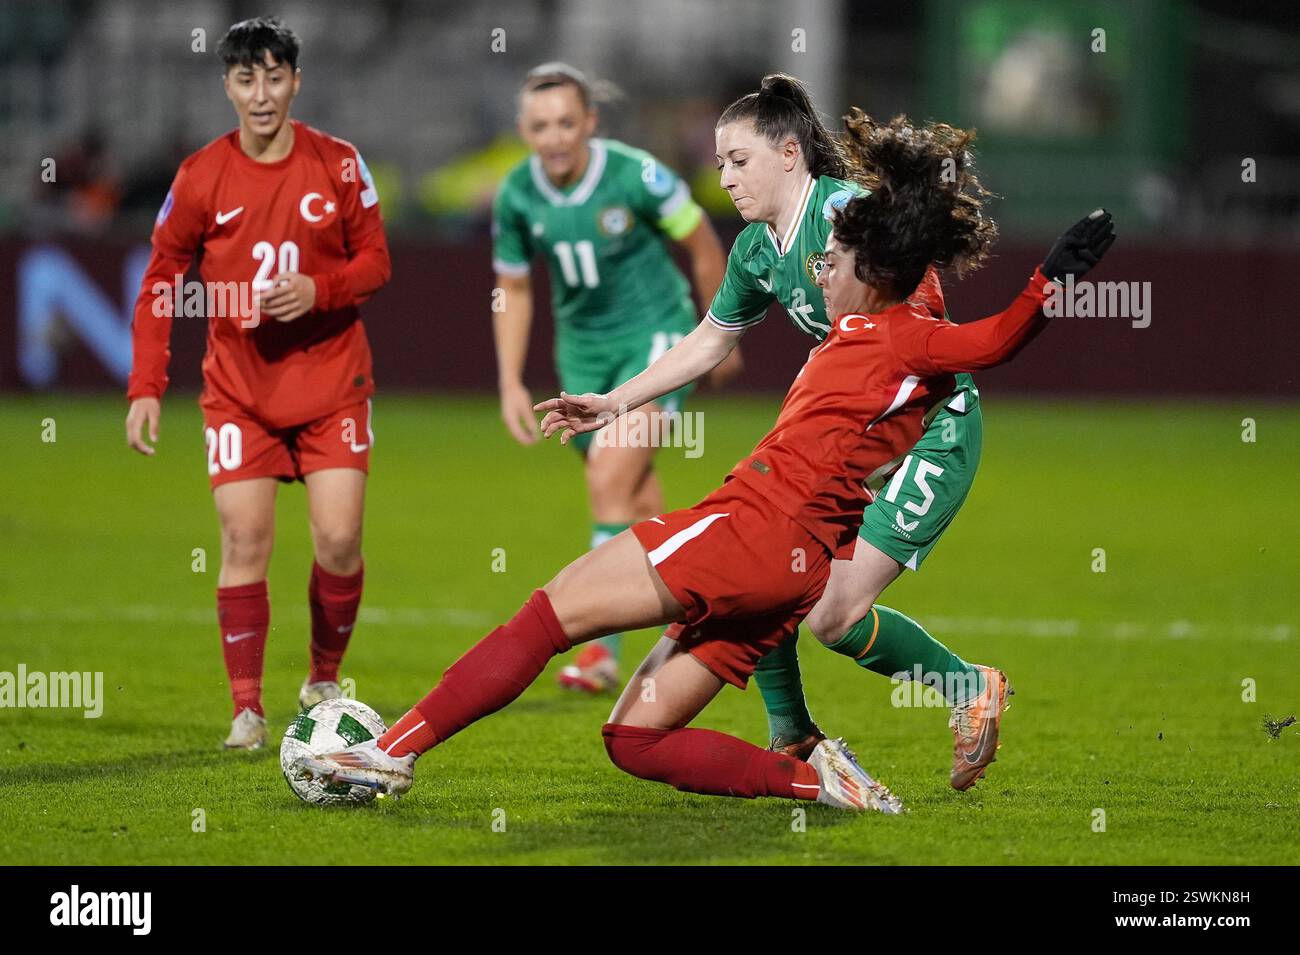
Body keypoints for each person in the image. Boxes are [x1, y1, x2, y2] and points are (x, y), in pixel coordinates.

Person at [296, 111, 1115, 809]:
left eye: (737, 157)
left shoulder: (896, 318)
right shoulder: (824, 296)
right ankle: (814, 773)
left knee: (550, 614)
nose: (819, 271)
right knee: (634, 738)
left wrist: (1050, 279)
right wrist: (618, 400)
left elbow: (989, 340)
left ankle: (390, 751)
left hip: (756, 531)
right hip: (790, 557)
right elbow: (718, 336)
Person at [124, 17, 391, 749]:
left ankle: (323, 675)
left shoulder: (339, 164)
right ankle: (247, 708)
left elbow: (376, 262)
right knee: (245, 536)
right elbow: (159, 281)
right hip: (240, 392)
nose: (262, 93)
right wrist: (146, 384)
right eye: (247, 78)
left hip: (333, 381)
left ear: (296, 82)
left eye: (275, 77)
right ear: (228, 86)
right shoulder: (200, 175)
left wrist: (321, 289)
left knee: (338, 539)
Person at [491, 62, 732, 693]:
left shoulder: (637, 175)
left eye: (567, 121)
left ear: (590, 122)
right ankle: (710, 610)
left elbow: (704, 245)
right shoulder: (516, 194)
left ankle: (598, 651)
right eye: (541, 125)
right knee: (637, 502)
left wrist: (721, 333)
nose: (556, 136)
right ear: (524, 130)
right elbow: (512, 289)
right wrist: (511, 380)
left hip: (657, 339)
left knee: (608, 476)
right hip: (583, 358)